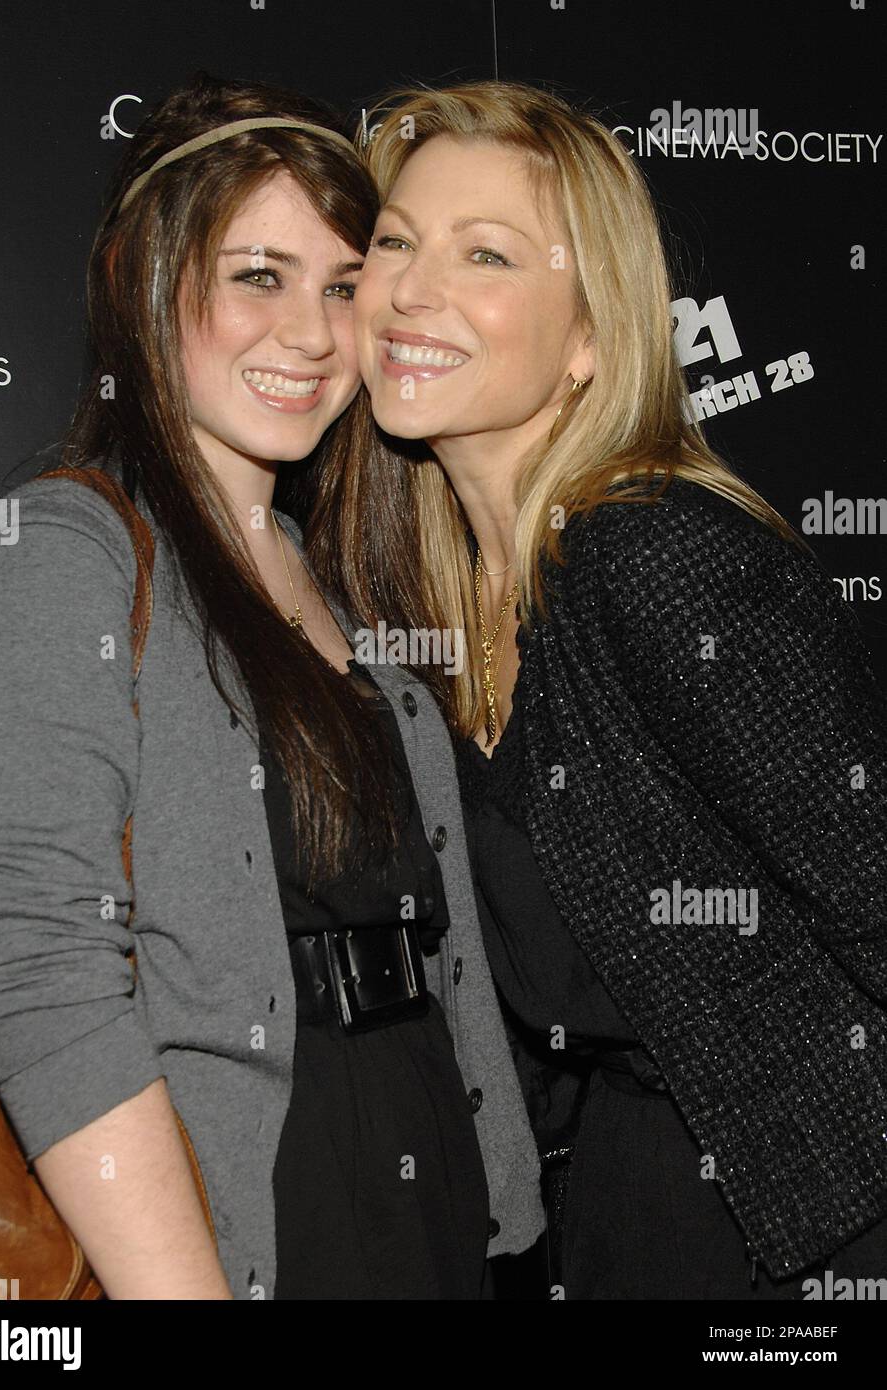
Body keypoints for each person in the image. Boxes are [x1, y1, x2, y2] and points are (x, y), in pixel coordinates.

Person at [0, 71, 543, 1301]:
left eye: (341, 287)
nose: (314, 335)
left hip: (432, 1212)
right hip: (254, 1229)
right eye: (258, 276)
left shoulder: (350, 579)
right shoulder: (64, 556)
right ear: (152, 285)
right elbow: (42, 973)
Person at [303, 78, 887, 1298]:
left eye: (487, 255)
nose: (410, 289)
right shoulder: (446, 610)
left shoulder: (658, 555)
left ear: (588, 338)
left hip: (820, 1219)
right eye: (397, 243)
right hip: (634, 1208)